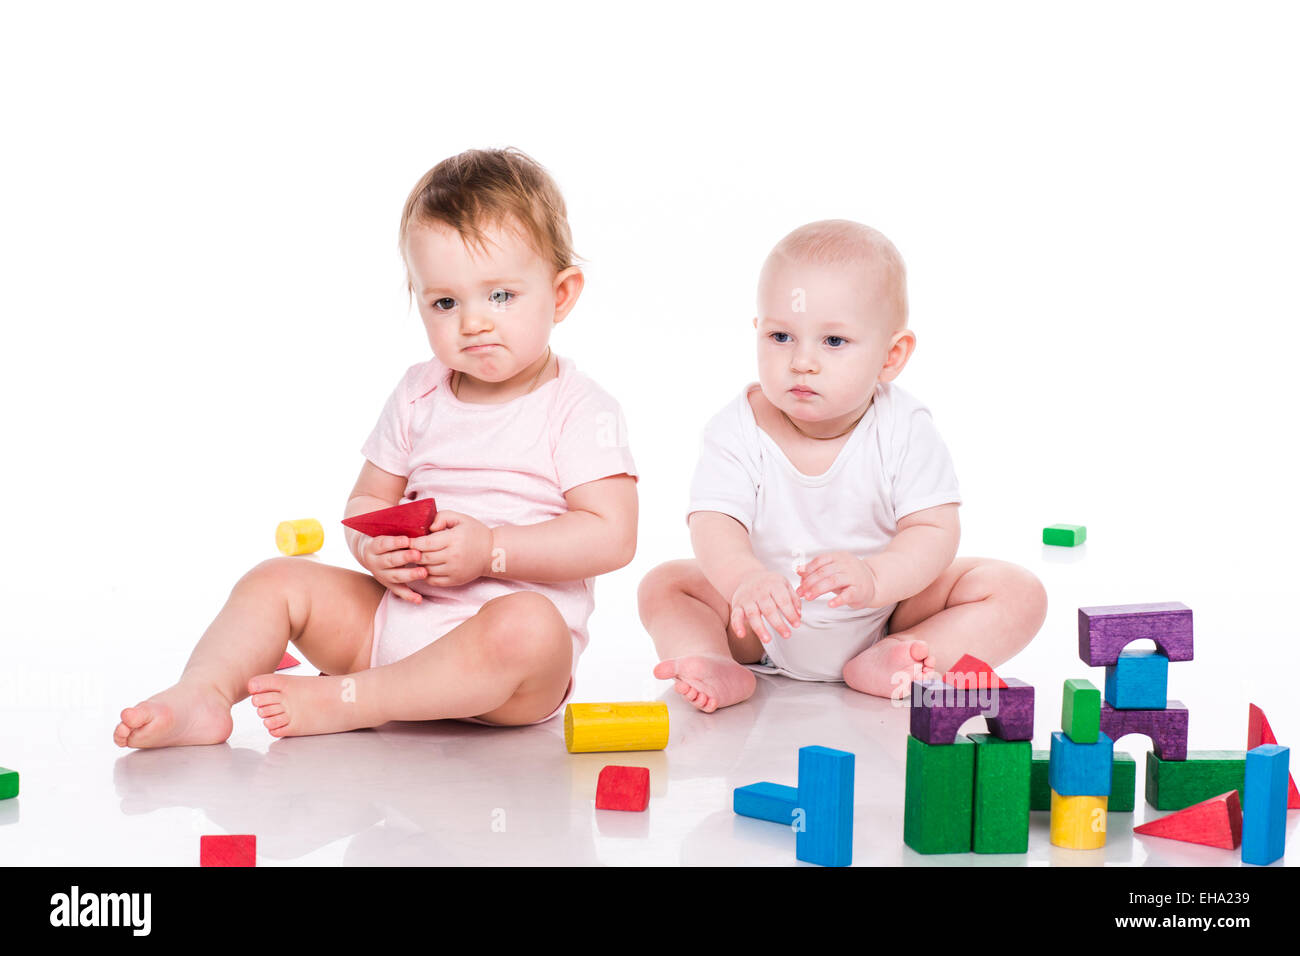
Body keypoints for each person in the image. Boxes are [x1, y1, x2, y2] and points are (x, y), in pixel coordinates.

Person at [114, 148, 637, 747]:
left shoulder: (578, 408)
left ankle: (352, 700)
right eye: (445, 302)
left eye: (500, 296)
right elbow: (368, 498)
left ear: (562, 294)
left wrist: (491, 550)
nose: (473, 323)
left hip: (508, 676)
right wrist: (371, 544)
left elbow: (612, 536)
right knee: (275, 579)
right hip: (391, 629)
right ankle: (204, 695)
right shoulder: (420, 393)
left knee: (529, 625)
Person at [640, 220, 1045, 712]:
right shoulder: (736, 427)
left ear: (891, 356)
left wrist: (877, 578)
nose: (802, 361)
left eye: (833, 342)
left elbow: (933, 530)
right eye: (781, 336)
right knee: (665, 585)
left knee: (1016, 591)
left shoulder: (905, 427)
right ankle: (712, 659)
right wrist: (744, 578)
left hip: (889, 610)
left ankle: (903, 656)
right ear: (757, 333)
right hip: (764, 619)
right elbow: (714, 521)